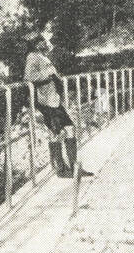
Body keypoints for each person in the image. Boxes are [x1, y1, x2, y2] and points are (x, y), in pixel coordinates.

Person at [24, 35, 92, 179]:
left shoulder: (43, 56)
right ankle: (60, 169)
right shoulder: (32, 57)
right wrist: (48, 74)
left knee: (69, 128)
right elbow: (28, 77)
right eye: (40, 41)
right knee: (56, 132)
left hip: (53, 99)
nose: (44, 43)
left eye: (43, 40)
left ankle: (74, 168)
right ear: (35, 44)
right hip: (45, 100)